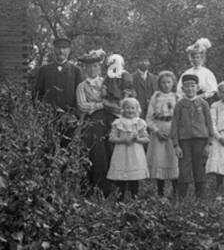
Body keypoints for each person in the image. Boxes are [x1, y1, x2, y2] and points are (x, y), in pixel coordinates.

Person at [32, 37, 83, 149]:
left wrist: (74, 115)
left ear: (69, 51)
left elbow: (80, 96)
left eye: (64, 48)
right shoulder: (44, 70)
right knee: (46, 149)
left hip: (69, 119)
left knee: (66, 150)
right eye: (59, 48)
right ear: (54, 50)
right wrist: (41, 113)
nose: (61, 51)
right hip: (48, 118)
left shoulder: (76, 71)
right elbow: (36, 94)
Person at [172, 72, 214, 200]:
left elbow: (209, 124)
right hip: (184, 141)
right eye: (187, 86)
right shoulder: (179, 105)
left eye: (192, 86)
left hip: (200, 141)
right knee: (184, 167)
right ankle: (182, 197)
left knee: (199, 167)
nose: (190, 88)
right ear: (182, 88)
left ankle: (200, 197)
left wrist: (208, 143)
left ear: (197, 87)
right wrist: (176, 145)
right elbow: (174, 125)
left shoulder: (203, 104)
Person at [76, 52, 113, 194]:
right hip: (90, 123)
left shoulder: (107, 82)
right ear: (85, 69)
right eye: (89, 67)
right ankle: (90, 187)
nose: (92, 70)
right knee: (93, 152)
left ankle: (108, 188)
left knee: (108, 150)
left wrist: (103, 104)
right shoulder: (82, 86)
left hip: (107, 121)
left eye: (95, 66)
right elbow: (82, 106)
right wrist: (101, 105)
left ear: (100, 68)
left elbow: (113, 100)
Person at [145, 70, 181, 198]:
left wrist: (176, 132)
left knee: (173, 159)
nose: (166, 85)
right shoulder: (156, 97)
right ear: (159, 84)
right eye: (163, 82)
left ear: (173, 83)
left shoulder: (177, 97)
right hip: (159, 130)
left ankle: (175, 191)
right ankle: (160, 192)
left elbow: (181, 117)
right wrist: (156, 131)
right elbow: (149, 118)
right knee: (159, 159)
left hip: (173, 131)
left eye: (168, 82)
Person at [107, 97, 150, 200]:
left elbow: (146, 139)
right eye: (127, 108)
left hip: (135, 153)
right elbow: (111, 138)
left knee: (134, 179)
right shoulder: (118, 122)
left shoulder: (140, 122)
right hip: (121, 153)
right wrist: (123, 140)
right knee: (121, 178)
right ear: (123, 109)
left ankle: (134, 198)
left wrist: (138, 139)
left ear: (137, 109)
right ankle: (120, 198)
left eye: (132, 108)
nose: (130, 110)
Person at [129, 52, 158, 120]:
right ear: (137, 62)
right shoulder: (130, 78)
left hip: (152, 114)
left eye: (146, 61)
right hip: (136, 114)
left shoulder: (155, 78)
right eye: (141, 61)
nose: (144, 63)